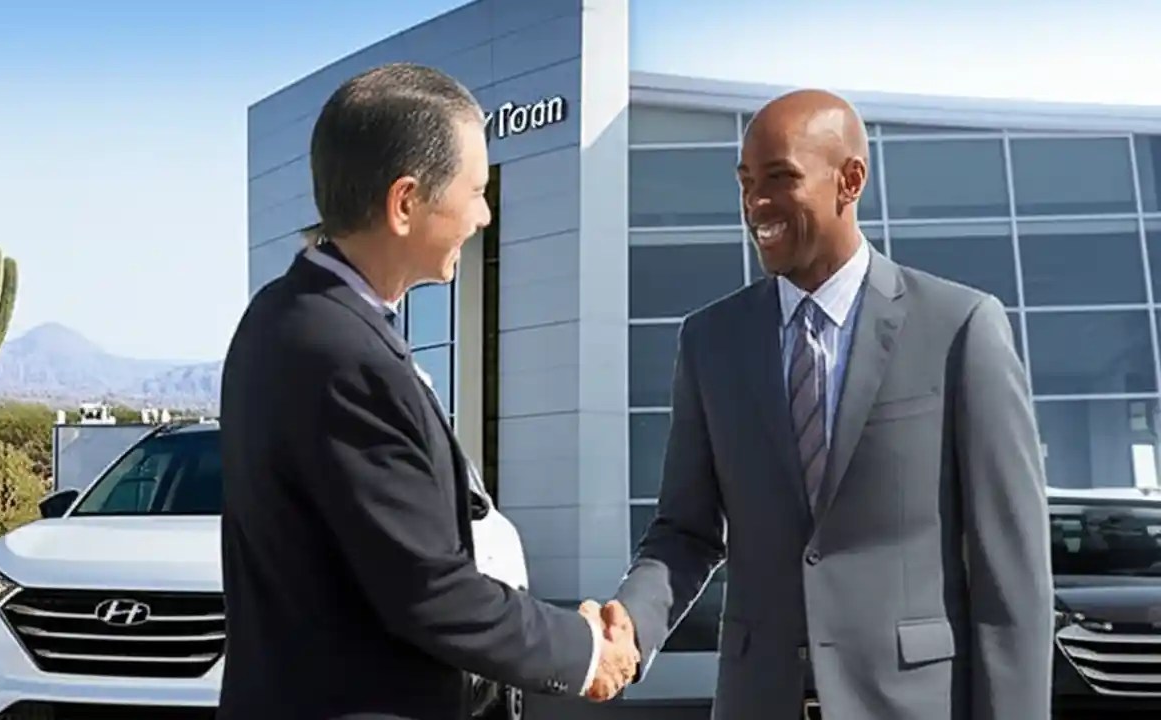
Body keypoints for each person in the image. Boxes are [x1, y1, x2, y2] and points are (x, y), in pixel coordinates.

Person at [596, 89, 1053, 719]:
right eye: (746, 182)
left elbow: (1013, 571)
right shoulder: (710, 341)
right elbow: (686, 530)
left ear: (850, 180)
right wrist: (633, 622)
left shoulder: (960, 328)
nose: (756, 204)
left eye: (780, 178)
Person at [217, 63, 638, 720]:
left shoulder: (289, 317)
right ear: (405, 202)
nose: (485, 213)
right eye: (475, 190)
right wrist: (584, 651)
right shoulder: (341, 352)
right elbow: (427, 590)